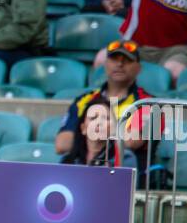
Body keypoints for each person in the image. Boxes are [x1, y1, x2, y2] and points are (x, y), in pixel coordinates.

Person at [56, 38, 153, 167]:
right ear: (105, 64)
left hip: (128, 178)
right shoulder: (84, 100)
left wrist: (92, 130)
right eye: (114, 59)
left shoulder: (149, 104)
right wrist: (116, 131)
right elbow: (62, 144)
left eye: (127, 60)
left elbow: (131, 142)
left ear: (138, 68)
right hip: (83, 171)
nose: (120, 64)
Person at [62, 97, 120, 166]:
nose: (99, 122)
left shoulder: (123, 158)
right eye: (93, 118)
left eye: (106, 118)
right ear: (83, 128)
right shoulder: (67, 160)